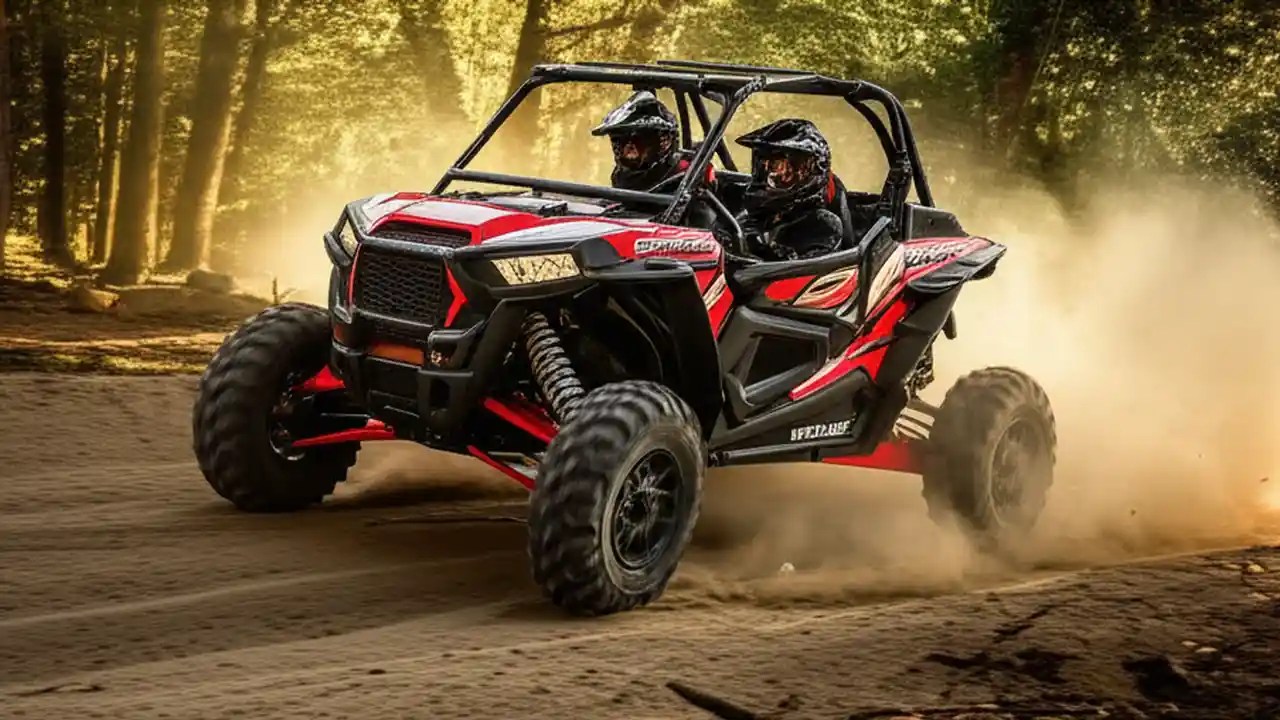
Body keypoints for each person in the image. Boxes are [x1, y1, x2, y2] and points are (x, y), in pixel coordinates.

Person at [724, 118, 844, 261]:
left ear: (804, 171)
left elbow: (805, 272)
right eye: (763, 162)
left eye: (777, 163)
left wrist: (766, 252)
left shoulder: (823, 224)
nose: (768, 169)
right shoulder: (755, 214)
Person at [592, 90, 683, 192]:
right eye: (620, 139)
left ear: (664, 142)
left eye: (637, 138)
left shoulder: (683, 176)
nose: (628, 146)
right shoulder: (621, 177)